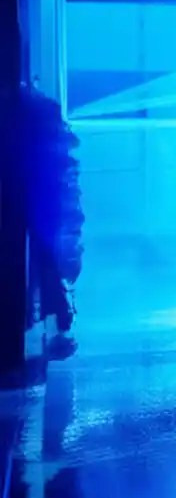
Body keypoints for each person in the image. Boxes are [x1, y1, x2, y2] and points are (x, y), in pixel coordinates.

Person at [21, 85, 83, 359]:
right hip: (45, 209)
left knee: (45, 267)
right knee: (48, 267)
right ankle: (61, 324)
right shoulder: (50, 135)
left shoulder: (35, 130)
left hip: (39, 209)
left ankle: (59, 322)